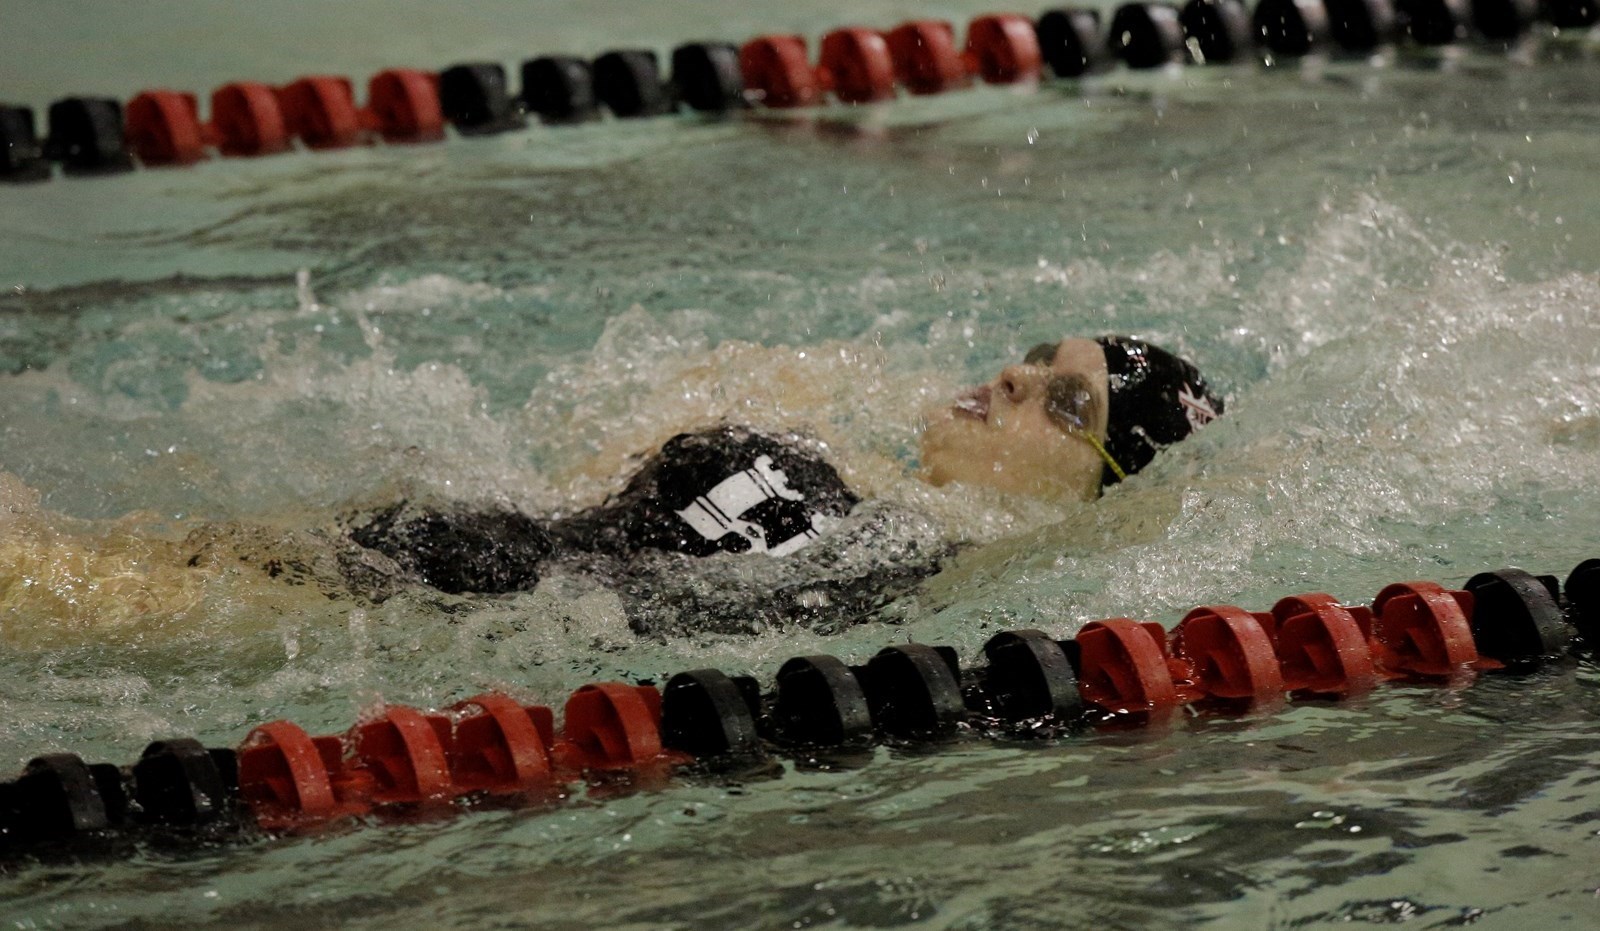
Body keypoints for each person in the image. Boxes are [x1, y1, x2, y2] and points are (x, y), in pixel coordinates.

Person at [348, 335, 1224, 635]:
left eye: (1066, 405)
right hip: (404, 559)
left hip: (384, 605)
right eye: (1036, 358)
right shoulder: (865, 485)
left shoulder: (945, 572)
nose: (1010, 376)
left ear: (1100, 502)